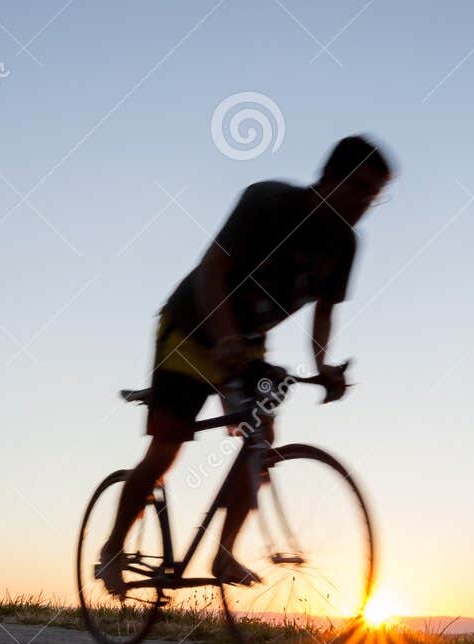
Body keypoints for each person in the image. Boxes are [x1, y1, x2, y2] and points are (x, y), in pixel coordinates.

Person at [98, 134, 394, 590]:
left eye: (373, 196)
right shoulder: (269, 202)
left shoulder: (346, 244)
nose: (363, 202)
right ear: (329, 177)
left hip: (247, 344)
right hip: (190, 329)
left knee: (259, 443)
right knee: (165, 452)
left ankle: (223, 554)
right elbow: (213, 269)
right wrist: (225, 338)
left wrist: (324, 365)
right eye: (357, 187)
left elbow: (324, 310)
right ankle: (113, 546)